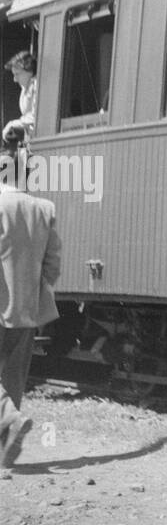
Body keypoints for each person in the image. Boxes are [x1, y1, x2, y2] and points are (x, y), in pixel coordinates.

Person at [0, 165, 62, 470]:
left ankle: (10, 417)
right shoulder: (42, 209)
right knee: (13, 379)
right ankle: (4, 455)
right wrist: (36, 292)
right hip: (27, 309)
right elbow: (53, 264)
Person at [2, 51, 37, 146]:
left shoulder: (37, 86)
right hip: (27, 140)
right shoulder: (25, 88)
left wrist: (13, 124)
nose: (15, 79)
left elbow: (36, 116)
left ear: (29, 72)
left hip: (39, 141)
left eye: (17, 74)